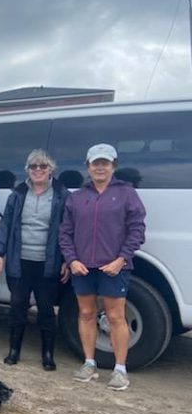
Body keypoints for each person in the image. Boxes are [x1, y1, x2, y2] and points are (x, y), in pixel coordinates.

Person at [59, 143, 146, 391]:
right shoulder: (77, 197)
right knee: (86, 314)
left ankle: (120, 369)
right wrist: (72, 260)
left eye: (105, 163)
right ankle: (89, 363)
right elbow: (65, 232)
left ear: (113, 166)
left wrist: (121, 260)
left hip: (114, 266)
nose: (100, 167)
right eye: (95, 163)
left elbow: (137, 230)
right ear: (87, 166)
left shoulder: (127, 193)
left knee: (116, 316)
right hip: (83, 267)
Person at [0, 149, 70, 370]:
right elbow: (5, 226)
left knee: (46, 309)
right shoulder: (17, 195)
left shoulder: (62, 195)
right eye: (33, 167)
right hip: (20, 261)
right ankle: (14, 350)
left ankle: (47, 354)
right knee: (18, 306)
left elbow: (68, 230)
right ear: (27, 170)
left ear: (51, 170)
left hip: (48, 263)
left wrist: (67, 259)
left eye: (42, 167)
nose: (38, 170)